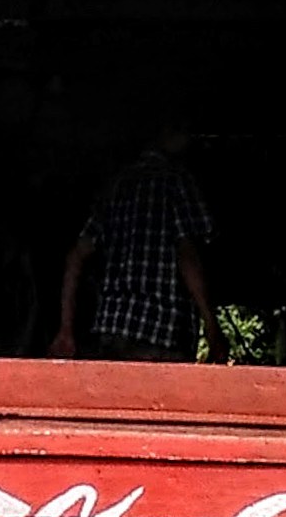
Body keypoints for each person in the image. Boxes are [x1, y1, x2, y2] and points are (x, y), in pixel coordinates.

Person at [51, 133, 215, 362]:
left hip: (111, 328)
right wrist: (211, 326)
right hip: (159, 331)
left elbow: (76, 256)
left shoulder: (117, 186)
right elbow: (187, 255)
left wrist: (66, 330)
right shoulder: (176, 180)